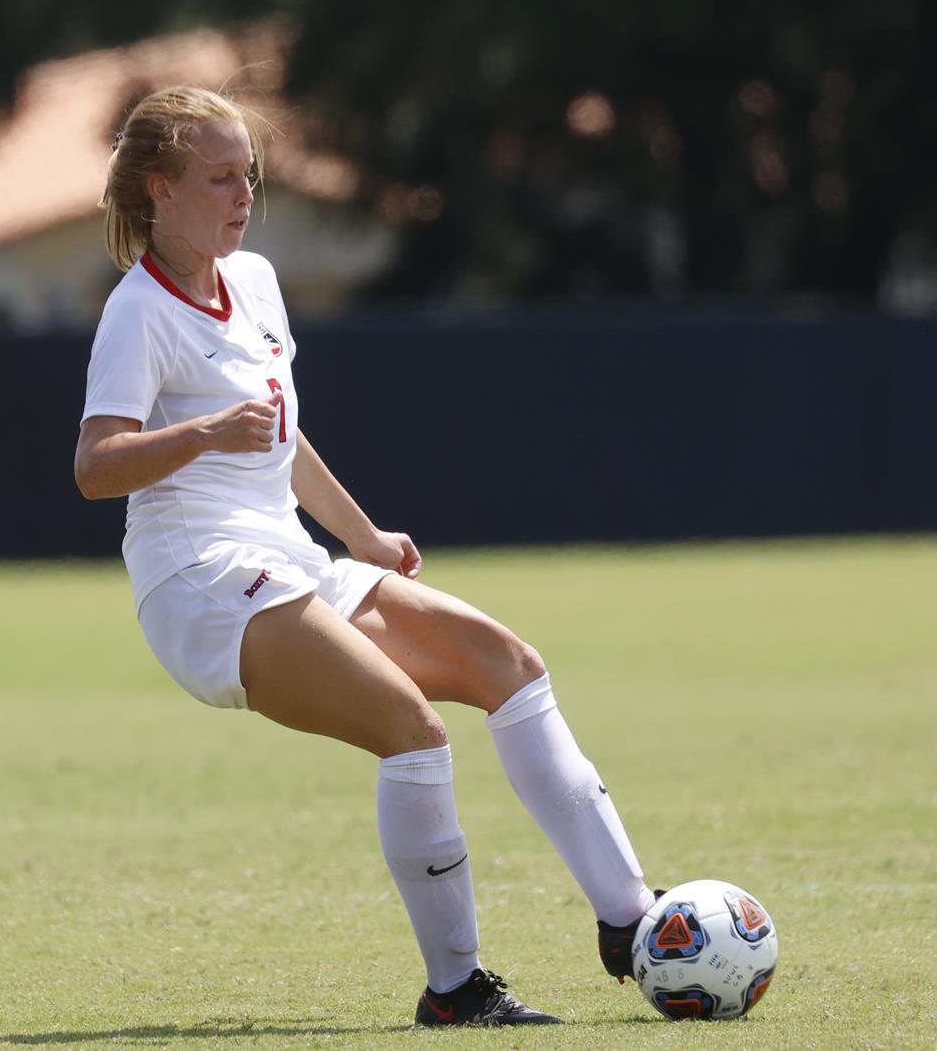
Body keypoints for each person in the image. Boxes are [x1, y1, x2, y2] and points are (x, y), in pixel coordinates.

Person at [73, 87, 657, 1027]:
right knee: (412, 730)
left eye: (248, 174)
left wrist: (360, 534)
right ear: (160, 189)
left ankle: (631, 920)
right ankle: (456, 990)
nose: (245, 194)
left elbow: (282, 434)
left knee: (509, 665)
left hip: (288, 557)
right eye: (220, 177)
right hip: (201, 582)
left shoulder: (254, 280)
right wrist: (208, 432)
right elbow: (96, 466)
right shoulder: (137, 312)